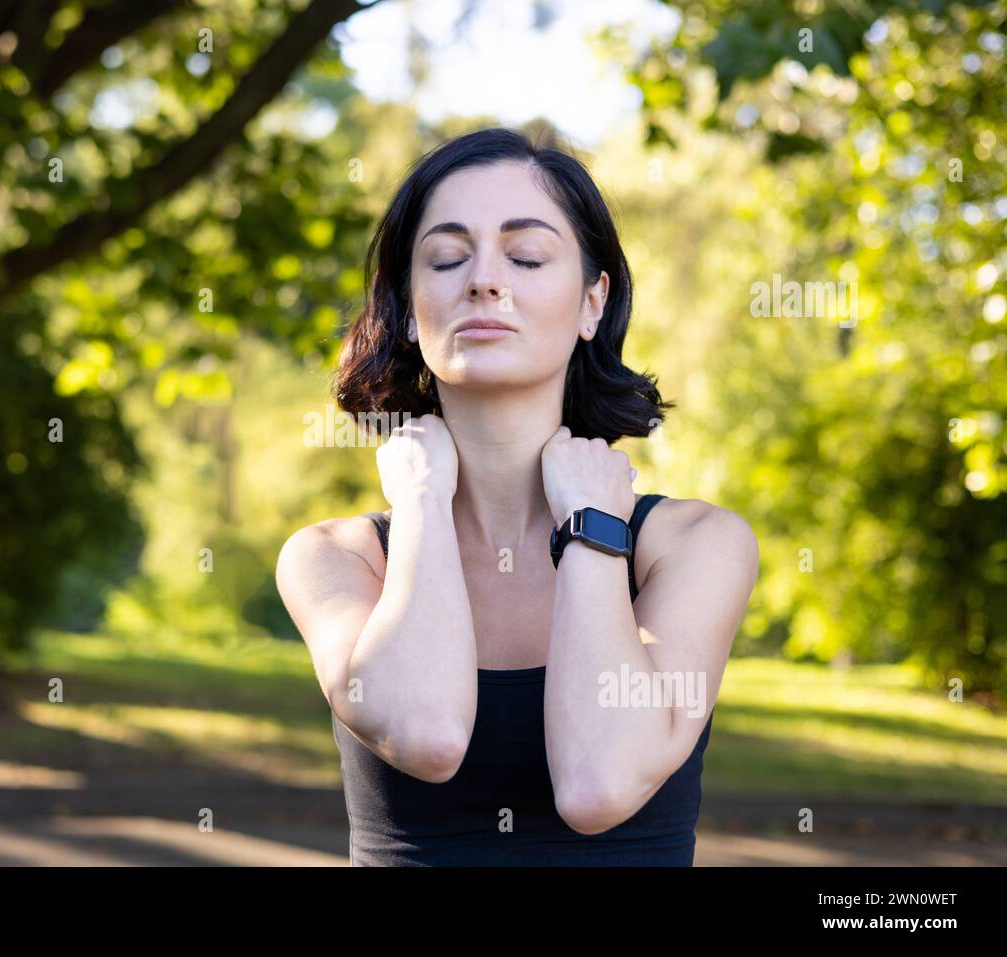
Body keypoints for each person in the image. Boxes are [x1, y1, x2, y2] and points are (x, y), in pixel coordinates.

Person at [275, 126, 760, 865]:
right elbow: (430, 732)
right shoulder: (332, 558)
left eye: (526, 255)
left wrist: (592, 525)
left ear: (592, 303)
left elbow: (599, 784)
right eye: (446, 257)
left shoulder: (696, 545)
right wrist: (425, 499)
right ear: (409, 308)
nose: (483, 280)